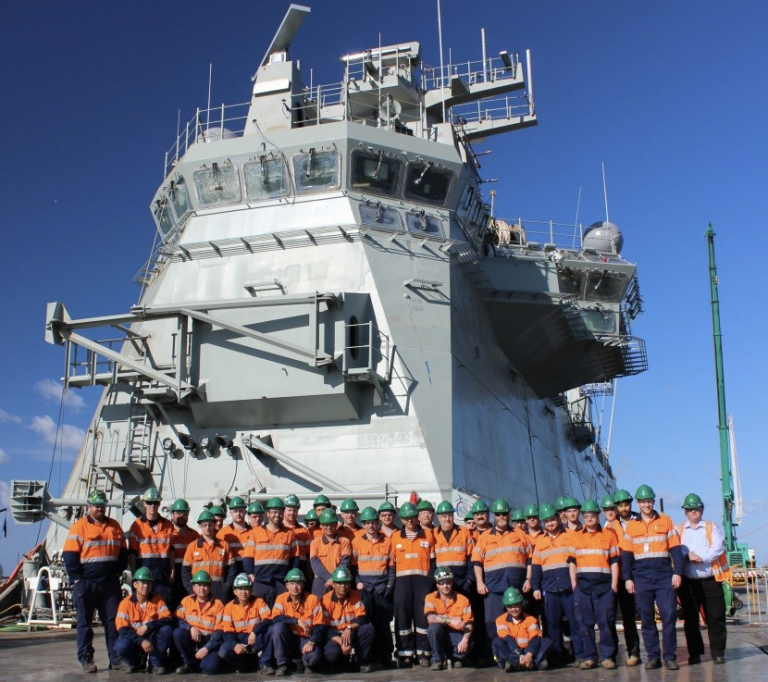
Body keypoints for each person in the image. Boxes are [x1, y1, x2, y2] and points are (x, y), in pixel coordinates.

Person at [63, 488, 127, 673]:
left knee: (113, 622)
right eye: (96, 506)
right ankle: (86, 659)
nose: (100, 509)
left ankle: (115, 659)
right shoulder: (79, 527)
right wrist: (77, 580)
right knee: (84, 623)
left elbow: (122, 553)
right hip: (87, 582)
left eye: (102, 506)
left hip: (109, 582)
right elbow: (70, 555)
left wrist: (116, 572)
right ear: (89, 507)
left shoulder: (114, 526)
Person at [620, 484, 683, 670]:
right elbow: (626, 555)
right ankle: (653, 657)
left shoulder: (665, 521)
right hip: (641, 577)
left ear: (653, 501)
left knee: (669, 615)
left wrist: (677, 572)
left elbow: (676, 550)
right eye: (643, 502)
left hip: (664, 576)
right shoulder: (631, 526)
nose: (646, 505)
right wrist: (628, 578)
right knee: (647, 618)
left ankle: (670, 657)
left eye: (649, 501)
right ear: (638, 504)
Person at [472, 499, 531, 662]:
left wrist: (528, 579)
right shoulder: (484, 538)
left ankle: (521, 654)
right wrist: (479, 582)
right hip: (493, 587)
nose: (501, 517)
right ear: (494, 515)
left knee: (519, 621)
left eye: (504, 513)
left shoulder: (520, 535)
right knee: (492, 622)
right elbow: (477, 562)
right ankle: (497, 654)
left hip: (516, 586)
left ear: (509, 514)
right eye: (498, 514)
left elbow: (530, 559)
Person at [676, 493, 729, 665]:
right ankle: (695, 653)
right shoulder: (679, 530)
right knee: (691, 619)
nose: (693, 512)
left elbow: (718, 547)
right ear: (685, 511)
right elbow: (675, 548)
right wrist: (687, 555)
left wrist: (701, 557)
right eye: (690, 509)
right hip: (688, 582)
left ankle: (718, 652)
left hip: (710, 580)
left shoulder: (711, 527)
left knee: (716, 616)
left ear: (702, 509)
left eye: (696, 508)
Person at [570, 499, 620, 670]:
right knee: (584, 623)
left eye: (592, 515)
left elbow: (614, 562)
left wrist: (614, 585)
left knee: (606, 622)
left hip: (604, 587)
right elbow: (572, 563)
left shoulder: (609, 535)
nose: (589, 518)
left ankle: (607, 657)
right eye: (586, 516)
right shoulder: (576, 537)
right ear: (583, 517)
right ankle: (590, 657)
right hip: (583, 587)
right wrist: (574, 585)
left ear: (598, 516)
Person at [530, 502, 582, 666]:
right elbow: (536, 567)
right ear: (544, 523)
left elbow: (578, 560)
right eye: (547, 521)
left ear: (558, 519)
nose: (550, 523)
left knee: (575, 621)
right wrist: (536, 587)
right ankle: (557, 656)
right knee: (552, 624)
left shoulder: (570, 536)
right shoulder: (540, 542)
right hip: (550, 588)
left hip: (568, 587)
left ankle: (580, 655)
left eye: (552, 520)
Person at [392, 501, 436, 667]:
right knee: (402, 616)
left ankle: (423, 653)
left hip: (422, 582)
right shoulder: (395, 537)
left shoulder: (428, 536)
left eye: (411, 517)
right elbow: (391, 564)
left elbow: (433, 562)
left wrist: (430, 582)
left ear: (417, 518)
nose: (409, 521)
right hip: (402, 582)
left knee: (421, 617)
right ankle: (405, 653)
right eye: (405, 518)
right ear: (402, 519)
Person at [352, 506, 395, 667]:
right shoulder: (356, 542)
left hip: (382, 589)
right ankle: (366, 657)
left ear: (378, 523)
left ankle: (385, 657)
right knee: (364, 625)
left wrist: (389, 587)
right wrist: (357, 582)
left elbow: (392, 567)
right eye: (367, 523)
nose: (370, 526)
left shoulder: (387, 541)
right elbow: (353, 566)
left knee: (383, 625)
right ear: (363, 525)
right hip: (365, 590)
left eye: (373, 522)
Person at [243, 497, 300, 607]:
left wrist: (290, 577)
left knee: (281, 613)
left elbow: (295, 557)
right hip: (260, 582)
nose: (277, 515)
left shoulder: (289, 534)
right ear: (267, 514)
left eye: (280, 512)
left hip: (281, 582)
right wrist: (250, 573)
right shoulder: (256, 533)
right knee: (259, 614)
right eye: (274, 512)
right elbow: (248, 557)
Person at [114, 567, 173, 674]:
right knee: (121, 645)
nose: (146, 586)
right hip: (134, 639)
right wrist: (141, 641)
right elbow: (122, 629)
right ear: (135, 584)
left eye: (149, 583)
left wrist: (149, 626)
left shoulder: (157, 600)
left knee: (167, 630)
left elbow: (167, 618)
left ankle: (154, 664)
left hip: (151, 637)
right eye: (143, 583)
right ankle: (133, 662)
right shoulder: (125, 603)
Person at [269, 569, 327, 675]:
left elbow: (320, 625)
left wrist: (312, 641)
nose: (295, 587)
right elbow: (276, 618)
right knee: (278, 627)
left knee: (313, 658)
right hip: (289, 638)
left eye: (298, 583)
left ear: (303, 585)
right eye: (291, 583)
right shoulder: (281, 599)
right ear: (286, 585)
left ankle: (306, 664)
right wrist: (297, 621)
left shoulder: (312, 599)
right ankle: (282, 665)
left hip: (306, 638)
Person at [607, 489, 641, 666]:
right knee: (610, 618)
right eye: (620, 505)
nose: (623, 508)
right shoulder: (610, 526)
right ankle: (610, 655)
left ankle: (634, 653)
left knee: (629, 618)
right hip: (616, 577)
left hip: (635, 575)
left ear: (630, 504)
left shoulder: (639, 521)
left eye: (626, 504)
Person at [322, 566, 376, 672]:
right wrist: (341, 642)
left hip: (351, 633)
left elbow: (362, 617)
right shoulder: (325, 600)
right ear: (333, 584)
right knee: (331, 655)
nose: (343, 586)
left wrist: (349, 628)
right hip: (335, 636)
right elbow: (324, 628)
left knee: (368, 629)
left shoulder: (355, 596)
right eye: (339, 583)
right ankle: (341, 663)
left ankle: (362, 661)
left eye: (346, 582)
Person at [127, 488, 175, 606]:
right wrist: (134, 575)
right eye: (149, 502)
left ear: (159, 504)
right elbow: (132, 552)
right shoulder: (137, 526)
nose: (152, 505)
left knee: (164, 607)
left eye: (155, 503)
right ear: (144, 503)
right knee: (143, 607)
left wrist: (172, 571)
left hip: (163, 574)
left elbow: (171, 550)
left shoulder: (168, 525)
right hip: (144, 574)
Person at [218, 573, 273, 673]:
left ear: (251, 590)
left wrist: (255, 632)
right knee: (223, 652)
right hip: (239, 638)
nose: (243, 592)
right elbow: (227, 632)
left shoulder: (259, 602)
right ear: (235, 591)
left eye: (246, 588)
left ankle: (264, 664)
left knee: (271, 631)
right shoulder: (229, 607)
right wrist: (235, 645)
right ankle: (245, 664)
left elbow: (268, 619)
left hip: (256, 637)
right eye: (240, 589)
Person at [174, 570, 224, 674]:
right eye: (199, 585)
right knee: (178, 633)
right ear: (193, 587)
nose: (202, 588)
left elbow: (220, 631)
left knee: (209, 669)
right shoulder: (186, 601)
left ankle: (198, 663)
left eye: (205, 585)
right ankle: (189, 662)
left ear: (210, 587)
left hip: (208, 642)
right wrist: (190, 628)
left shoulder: (218, 604)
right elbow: (177, 619)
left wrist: (206, 648)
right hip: (192, 640)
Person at [492, 587, 552, 672]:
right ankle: (534, 663)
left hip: (527, 651)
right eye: (510, 606)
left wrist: (529, 654)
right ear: (505, 606)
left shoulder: (531, 619)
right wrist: (519, 656)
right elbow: (508, 639)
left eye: (516, 605)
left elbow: (535, 638)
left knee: (547, 641)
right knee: (497, 641)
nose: (513, 609)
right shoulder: (500, 620)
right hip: (512, 652)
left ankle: (517, 665)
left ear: (521, 604)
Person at [182, 510, 236, 603]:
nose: (207, 528)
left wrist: (226, 587)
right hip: (199, 590)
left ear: (214, 525)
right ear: (200, 526)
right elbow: (185, 571)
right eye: (204, 525)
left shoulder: (224, 545)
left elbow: (232, 569)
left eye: (210, 524)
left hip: (219, 590)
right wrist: (192, 590)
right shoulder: (193, 546)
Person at [424, 567, 473, 670]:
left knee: (469, 642)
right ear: (437, 584)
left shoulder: (463, 599)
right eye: (441, 583)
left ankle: (456, 658)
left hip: (456, 634)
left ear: (452, 582)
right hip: (440, 634)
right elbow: (431, 618)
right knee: (433, 629)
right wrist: (451, 620)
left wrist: (465, 639)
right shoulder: (430, 598)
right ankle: (438, 660)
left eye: (448, 582)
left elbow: (469, 622)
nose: (445, 586)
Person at [433, 501, 474, 596]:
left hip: (462, 582)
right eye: (444, 516)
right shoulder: (433, 534)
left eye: (449, 516)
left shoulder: (464, 532)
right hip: (442, 582)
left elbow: (472, 558)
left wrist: (469, 580)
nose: (447, 519)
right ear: (438, 518)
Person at [309, 508, 352, 597]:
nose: (329, 527)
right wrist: (329, 578)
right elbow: (315, 565)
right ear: (321, 525)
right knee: (319, 609)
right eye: (326, 524)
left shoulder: (344, 542)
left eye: (331, 524)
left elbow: (345, 562)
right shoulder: (315, 543)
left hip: (340, 582)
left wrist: (334, 579)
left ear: (336, 524)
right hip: (320, 583)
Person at [170, 499, 199, 609]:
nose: (182, 516)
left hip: (189, 575)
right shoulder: (167, 534)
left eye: (185, 513)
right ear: (172, 515)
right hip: (173, 574)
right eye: (178, 513)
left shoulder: (195, 535)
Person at [216, 496, 251, 574]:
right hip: (230, 572)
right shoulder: (223, 533)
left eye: (240, 511)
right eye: (235, 511)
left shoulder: (253, 532)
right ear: (230, 513)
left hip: (249, 572)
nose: (238, 514)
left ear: (245, 512)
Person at [283, 494, 312, 571]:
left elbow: (309, 554)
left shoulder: (305, 531)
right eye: (289, 510)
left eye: (295, 510)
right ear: (284, 510)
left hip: (301, 568)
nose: (292, 513)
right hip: (283, 567)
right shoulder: (279, 530)